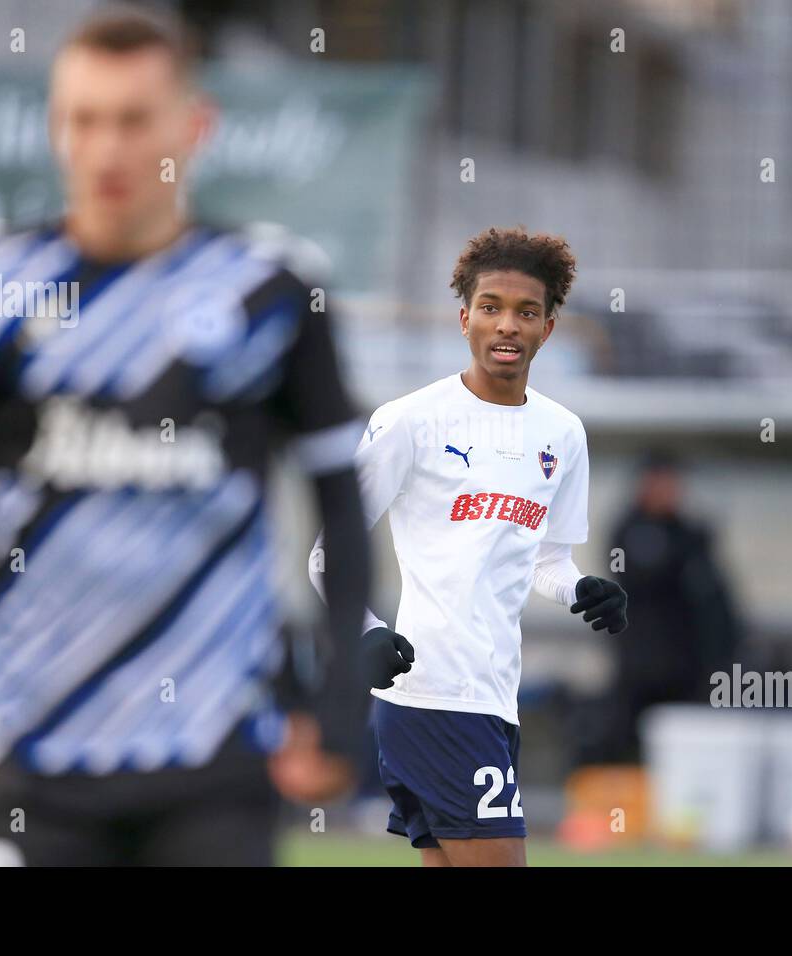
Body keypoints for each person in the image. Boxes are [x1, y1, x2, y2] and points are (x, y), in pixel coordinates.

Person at [0, 7, 371, 866]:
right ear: (56, 129)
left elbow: (342, 508)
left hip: (216, 753)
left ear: (194, 127)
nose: (107, 148)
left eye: (134, 120)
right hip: (32, 747)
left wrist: (343, 706)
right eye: (84, 120)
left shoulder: (272, 292)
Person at [310, 227, 628, 867]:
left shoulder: (562, 434)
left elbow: (547, 560)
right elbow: (325, 557)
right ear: (464, 319)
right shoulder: (412, 421)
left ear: (549, 327)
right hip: (432, 695)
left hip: (492, 697)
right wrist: (367, 632)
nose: (506, 325)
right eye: (490, 308)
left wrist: (581, 590)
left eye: (525, 311)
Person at [580, 451, 740, 763]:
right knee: (630, 747)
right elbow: (644, 574)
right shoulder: (630, 530)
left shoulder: (686, 531)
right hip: (642, 667)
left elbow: (711, 595)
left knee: (683, 750)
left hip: (688, 667)